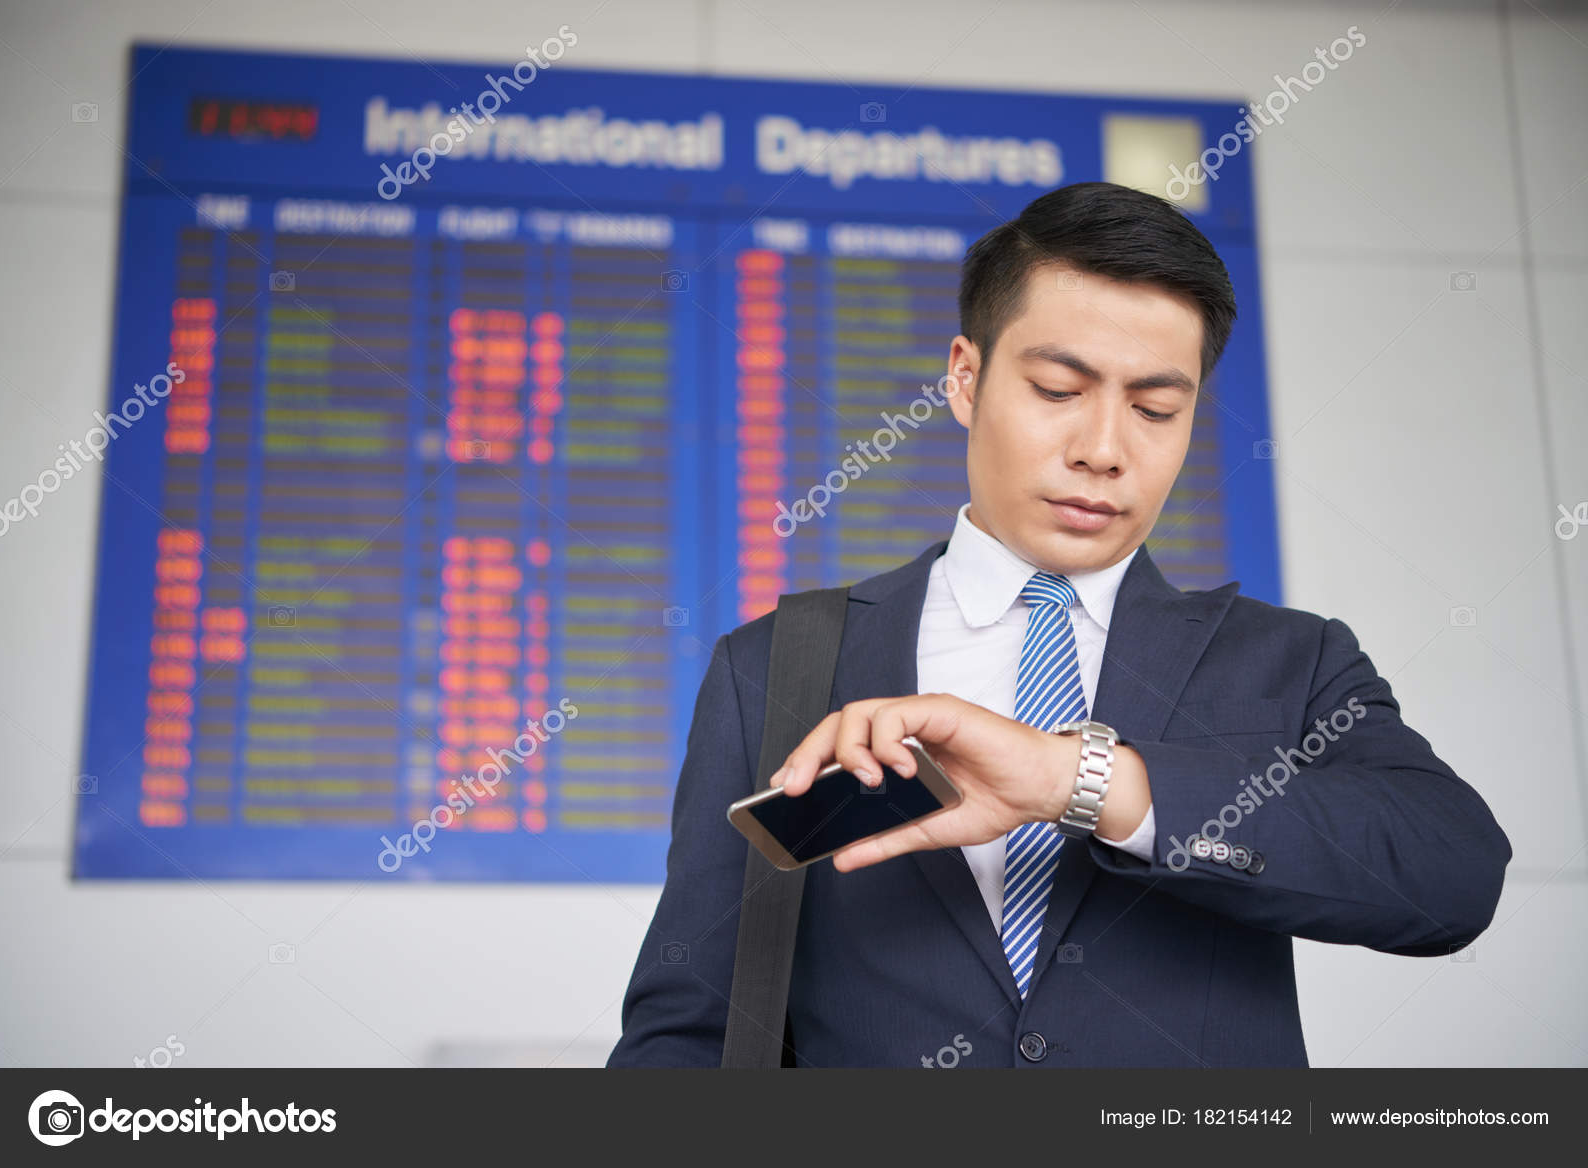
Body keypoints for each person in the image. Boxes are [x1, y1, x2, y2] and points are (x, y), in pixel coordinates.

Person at [606, 181, 1511, 1068]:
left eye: (1157, 410)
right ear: (965, 378)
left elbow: (1452, 875)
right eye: (1056, 390)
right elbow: (691, 1024)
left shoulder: (1289, 660)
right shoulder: (782, 664)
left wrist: (1080, 781)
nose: (1105, 450)